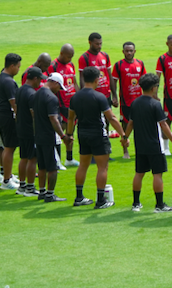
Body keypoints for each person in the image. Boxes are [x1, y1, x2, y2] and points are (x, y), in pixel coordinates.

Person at [68, 66, 129, 209]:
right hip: (98, 135)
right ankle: (101, 200)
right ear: (97, 79)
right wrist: (123, 134)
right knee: (102, 167)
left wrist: (69, 135)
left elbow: (71, 119)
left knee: (83, 165)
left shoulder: (75, 97)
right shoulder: (99, 97)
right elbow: (112, 118)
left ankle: (79, 197)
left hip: (82, 134)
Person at [123, 73, 172, 212]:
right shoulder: (155, 104)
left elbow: (130, 123)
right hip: (155, 145)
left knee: (139, 173)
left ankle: (136, 204)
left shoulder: (135, 103)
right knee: (157, 174)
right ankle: (159, 205)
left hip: (140, 145)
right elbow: (164, 125)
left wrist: (125, 138)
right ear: (154, 87)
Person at [32, 72, 71, 202]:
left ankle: (42, 192)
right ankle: (50, 194)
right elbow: (54, 119)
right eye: (59, 87)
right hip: (49, 137)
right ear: (55, 83)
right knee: (53, 167)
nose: (59, 90)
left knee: (42, 166)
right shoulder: (51, 98)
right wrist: (63, 136)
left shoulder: (37, 94)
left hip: (38, 135)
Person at [112, 42, 147, 160]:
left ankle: (140, 150)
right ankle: (125, 151)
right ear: (123, 52)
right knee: (125, 127)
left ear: (134, 51)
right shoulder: (119, 65)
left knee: (140, 127)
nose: (129, 53)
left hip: (139, 102)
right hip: (125, 102)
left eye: (131, 50)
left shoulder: (140, 64)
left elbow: (145, 81)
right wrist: (114, 96)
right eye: (127, 51)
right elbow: (114, 82)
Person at [14, 67, 44, 198]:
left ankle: (22, 186)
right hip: (30, 130)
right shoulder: (32, 94)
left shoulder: (20, 90)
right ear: (35, 78)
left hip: (20, 128)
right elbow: (33, 114)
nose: (40, 83)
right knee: (33, 158)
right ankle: (30, 188)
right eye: (40, 80)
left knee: (24, 157)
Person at [0, 53, 22, 191]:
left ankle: (8, 175)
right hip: (7, 116)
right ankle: (6, 181)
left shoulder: (1, 77)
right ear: (12, 66)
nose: (18, 69)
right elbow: (14, 103)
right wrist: (20, 119)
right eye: (17, 67)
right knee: (9, 148)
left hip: (1, 115)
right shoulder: (9, 81)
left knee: (8, 147)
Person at [48, 44, 78, 166]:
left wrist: (78, 96)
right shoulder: (53, 66)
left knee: (71, 130)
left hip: (71, 103)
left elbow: (74, 82)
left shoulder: (71, 65)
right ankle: (56, 159)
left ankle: (69, 158)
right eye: (68, 57)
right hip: (60, 104)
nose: (70, 59)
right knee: (59, 131)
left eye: (71, 57)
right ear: (61, 54)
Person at [78, 32, 114, 107]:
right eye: (97, 44)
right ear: (90, 42)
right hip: (92, 96)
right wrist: (84, 95)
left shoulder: (105, 56)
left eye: (100, 43)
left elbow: (110, 75)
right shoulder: (84, 58)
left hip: (106, 95)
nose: (99, 46)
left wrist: (114, 95)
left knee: (107, 117)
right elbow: (82, 78)